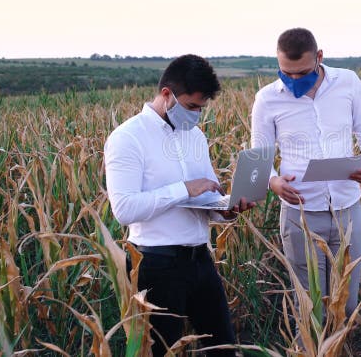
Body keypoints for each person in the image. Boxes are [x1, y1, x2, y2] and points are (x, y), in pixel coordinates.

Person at [104, 54, 254, 357]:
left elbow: (207, 193)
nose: (196, 114)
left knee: (224, 349)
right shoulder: (127, 138)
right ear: (166, 94)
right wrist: (183, 189)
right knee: (161, 351)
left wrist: (225, 210)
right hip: (155, 265)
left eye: (201, 108)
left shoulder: (195, 136)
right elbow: (124, 209)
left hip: (201, 260)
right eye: (191, 106)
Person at [250, 28, 361, 321]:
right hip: (300, 214)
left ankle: (342, 344)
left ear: (319, 57)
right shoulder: (267, 99)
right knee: (311, 310)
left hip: (347, 209)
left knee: (346, 304)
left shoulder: (348, 82)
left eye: (302, 73)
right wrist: (273, 181)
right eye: (286, 73)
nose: (294, 80)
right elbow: (258, 155)